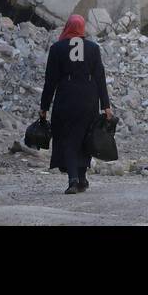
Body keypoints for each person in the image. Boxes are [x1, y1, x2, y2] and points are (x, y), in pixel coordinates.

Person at [39, 14, 112, 194]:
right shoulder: (93, 48)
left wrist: (44, 107)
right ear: (82, 29)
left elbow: (50, 81)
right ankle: (82, 177)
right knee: (85, 136)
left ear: (67, 27)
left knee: (67, 137)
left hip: (66, 97)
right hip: (89, 98)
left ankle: (73, 179)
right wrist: (106, 105)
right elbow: (100, 78)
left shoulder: (57, 49)